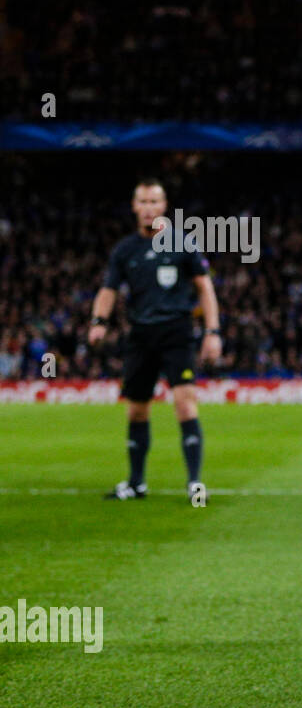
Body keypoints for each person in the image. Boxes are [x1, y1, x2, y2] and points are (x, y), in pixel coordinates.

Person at [89, 178, 221, 500]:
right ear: (135, 207)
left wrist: (213, 332)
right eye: (143, 202)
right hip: (140, 335)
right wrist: (98, 322)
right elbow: (108, 289)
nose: (149, 209)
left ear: (164, 207)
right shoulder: (125, 250)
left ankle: (194, 483)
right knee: (136, 410)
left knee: (184, 403)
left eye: (154, 202)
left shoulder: (183, 243)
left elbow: (205, 287)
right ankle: (136, 483)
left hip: (176, 332)